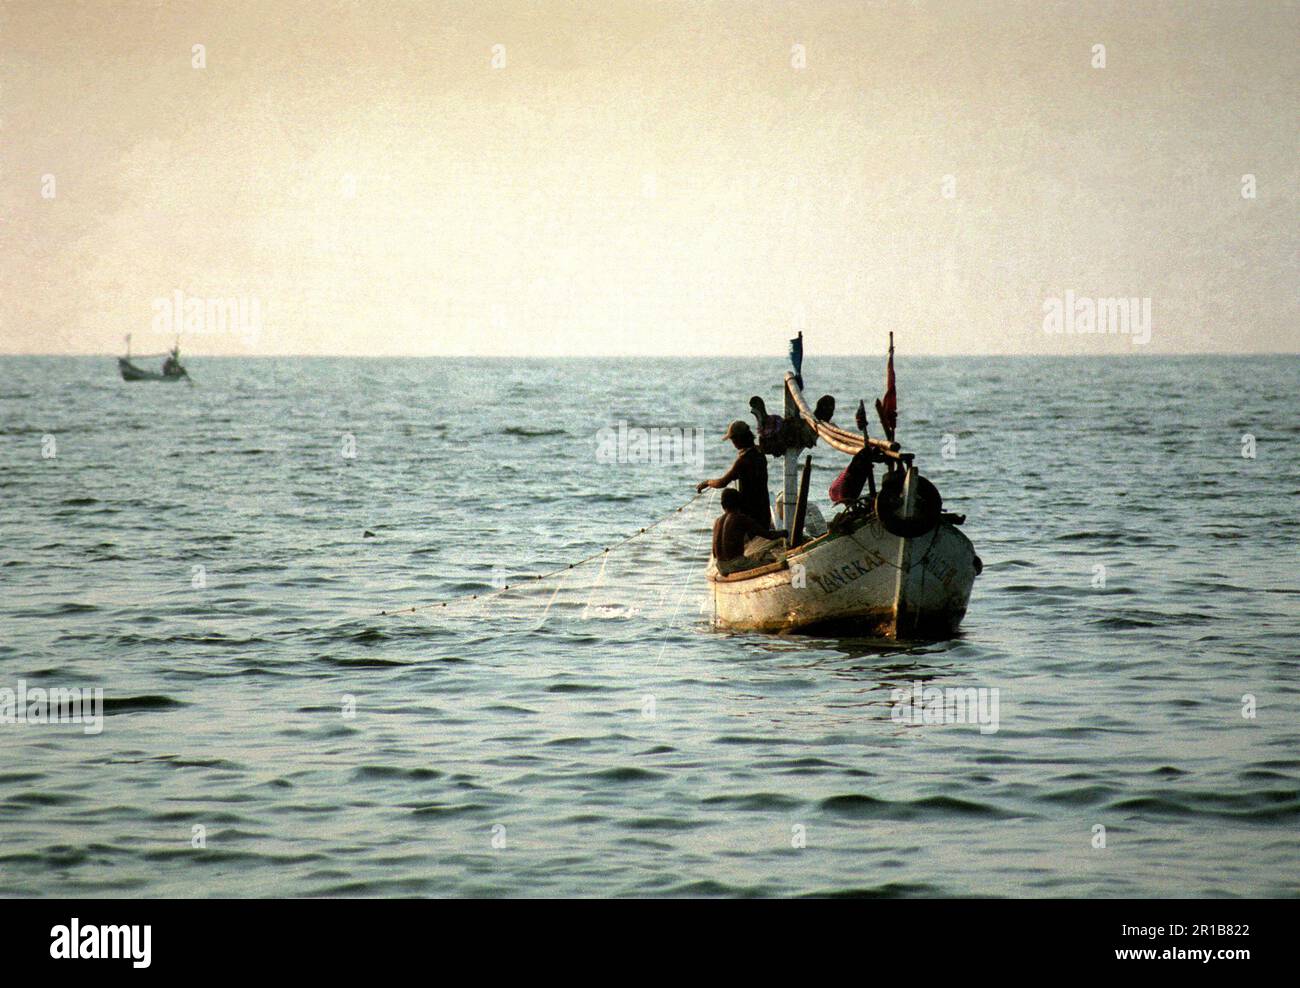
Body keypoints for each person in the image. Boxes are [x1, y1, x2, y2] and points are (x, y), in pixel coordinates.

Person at [697, 420, 770, 527]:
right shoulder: (759, 453)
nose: (732, 442)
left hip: (750, 514)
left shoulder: (743, 461)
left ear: (738, 439)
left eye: (732, 439)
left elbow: (722, 482)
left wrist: (707, 482)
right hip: (764, 511)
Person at [711, 488, 779, 575]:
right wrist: (784, 533)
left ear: (722, 504)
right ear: (740, 503)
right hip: (736, 565)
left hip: (720, 566)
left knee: (760, 554)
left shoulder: (717, 522)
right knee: (770, 559)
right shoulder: (740, 518)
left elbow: (714, 553)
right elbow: (769, 535)